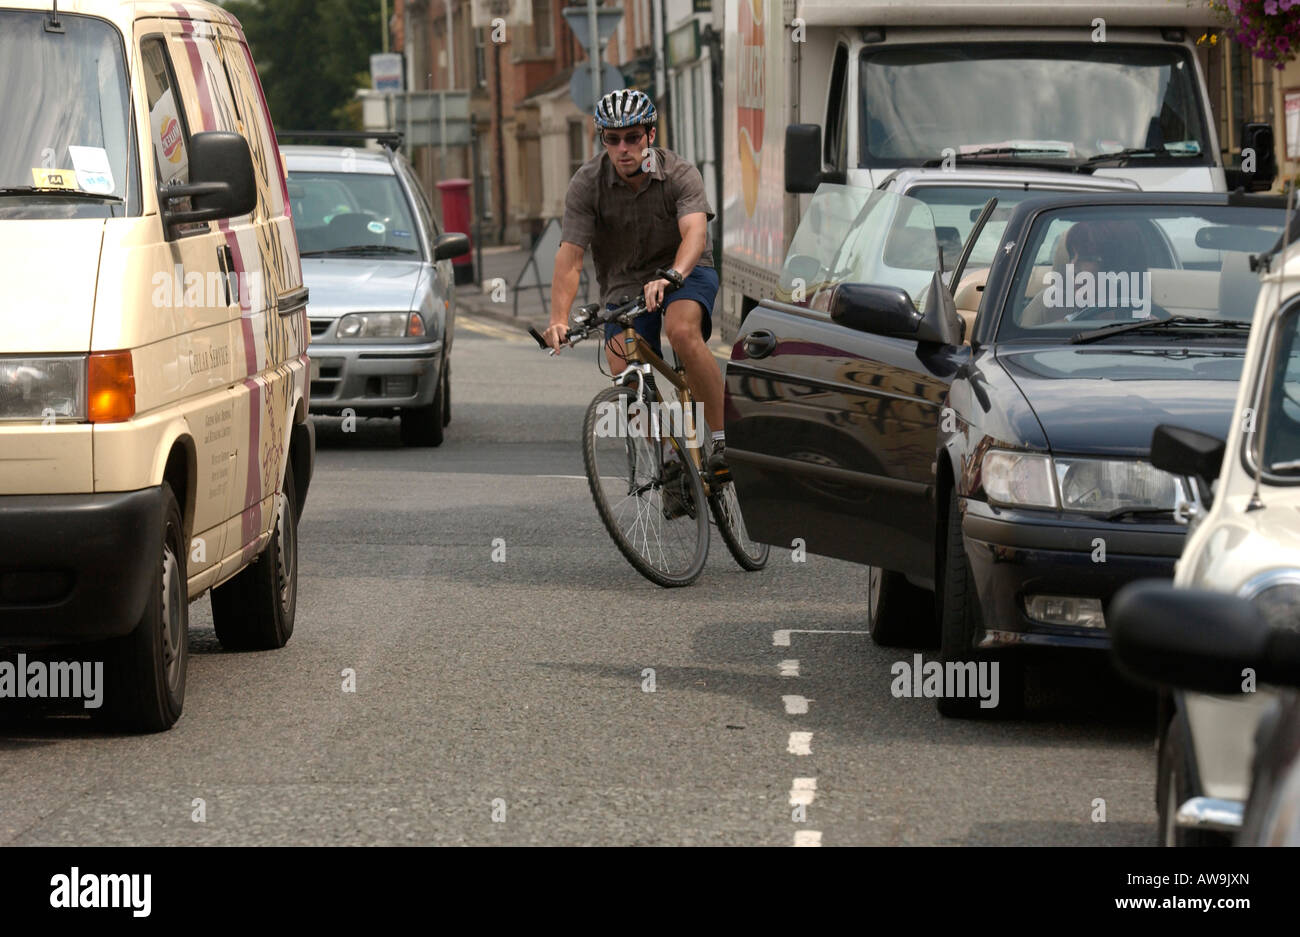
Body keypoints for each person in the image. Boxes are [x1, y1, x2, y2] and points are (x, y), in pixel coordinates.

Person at [545, 88, 728, 482]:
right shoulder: (587, 183)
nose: (623, 147)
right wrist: (559, 319)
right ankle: (667, 461)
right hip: (625, 280)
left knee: (681, 331)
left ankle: (722, 439)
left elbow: (694, 233)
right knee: (620, 360)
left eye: (632, 137)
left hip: (685, 267)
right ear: (603, 140)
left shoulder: (679, 173)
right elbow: (570, 255)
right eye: (612, 139)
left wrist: (672, 274)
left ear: (651, 135)